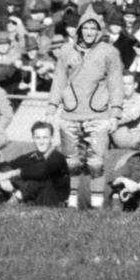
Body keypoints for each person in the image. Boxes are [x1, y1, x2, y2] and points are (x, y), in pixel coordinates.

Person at [49, 12, 126, 209]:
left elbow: (116, 82)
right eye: (86, 27)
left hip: (98, 114)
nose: (89, 32)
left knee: (96, 161)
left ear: (99, 30)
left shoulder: (110, 52)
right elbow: (59, 79)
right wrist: (52, 107)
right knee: (72, 161)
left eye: (94, 28)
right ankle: (72, 201)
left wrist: (116, 113)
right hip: (70, 113)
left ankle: (97, 205)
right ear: (79, 29)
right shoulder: (66, 51)